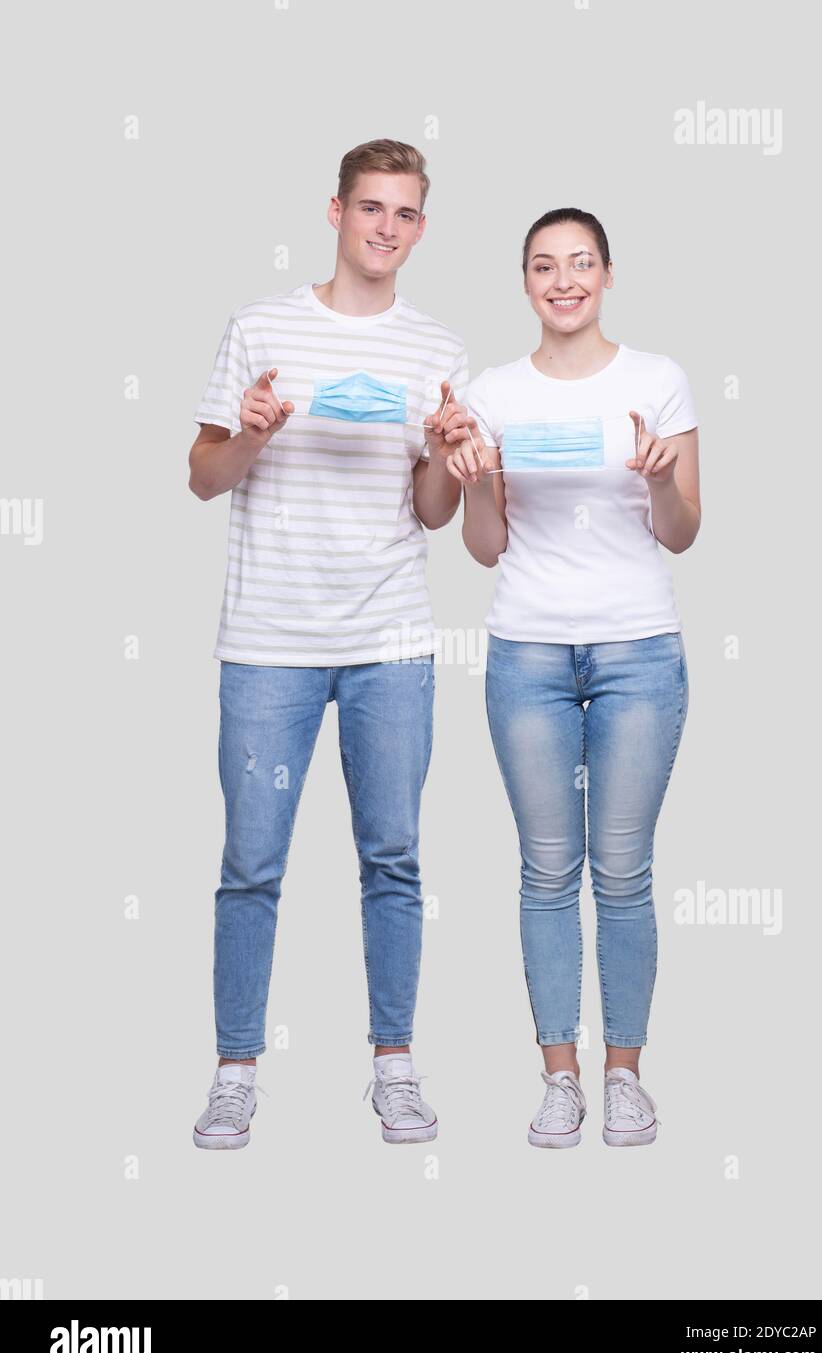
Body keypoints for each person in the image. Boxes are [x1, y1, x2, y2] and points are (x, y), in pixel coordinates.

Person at [188, 139, 474, 1149]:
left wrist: (445, 457)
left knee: (391, 856)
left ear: (419, 227)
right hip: (266, 638)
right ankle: (233, 1073)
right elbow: (203, 477)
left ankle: (393, 1067)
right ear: (335, 211)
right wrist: (254, 429)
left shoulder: (436, 350)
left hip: (389, 636)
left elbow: (434, 512)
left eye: (402, 212)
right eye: (369, 208)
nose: (384, 226)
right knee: (251, 861)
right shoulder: (261, 325)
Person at [448, 207, 700, 1149]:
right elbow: (484, 548)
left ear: (606, 274)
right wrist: (478, 478)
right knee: (547, 871)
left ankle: (625, 1077)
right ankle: (559, 1080)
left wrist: (664, 477)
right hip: (528, 655)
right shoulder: (493, 392)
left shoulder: (658, 381)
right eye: (545, 266)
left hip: (639, 651)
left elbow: (682, 530)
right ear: (524, 282)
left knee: (623, 873)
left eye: (581, 263)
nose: (564, 281)